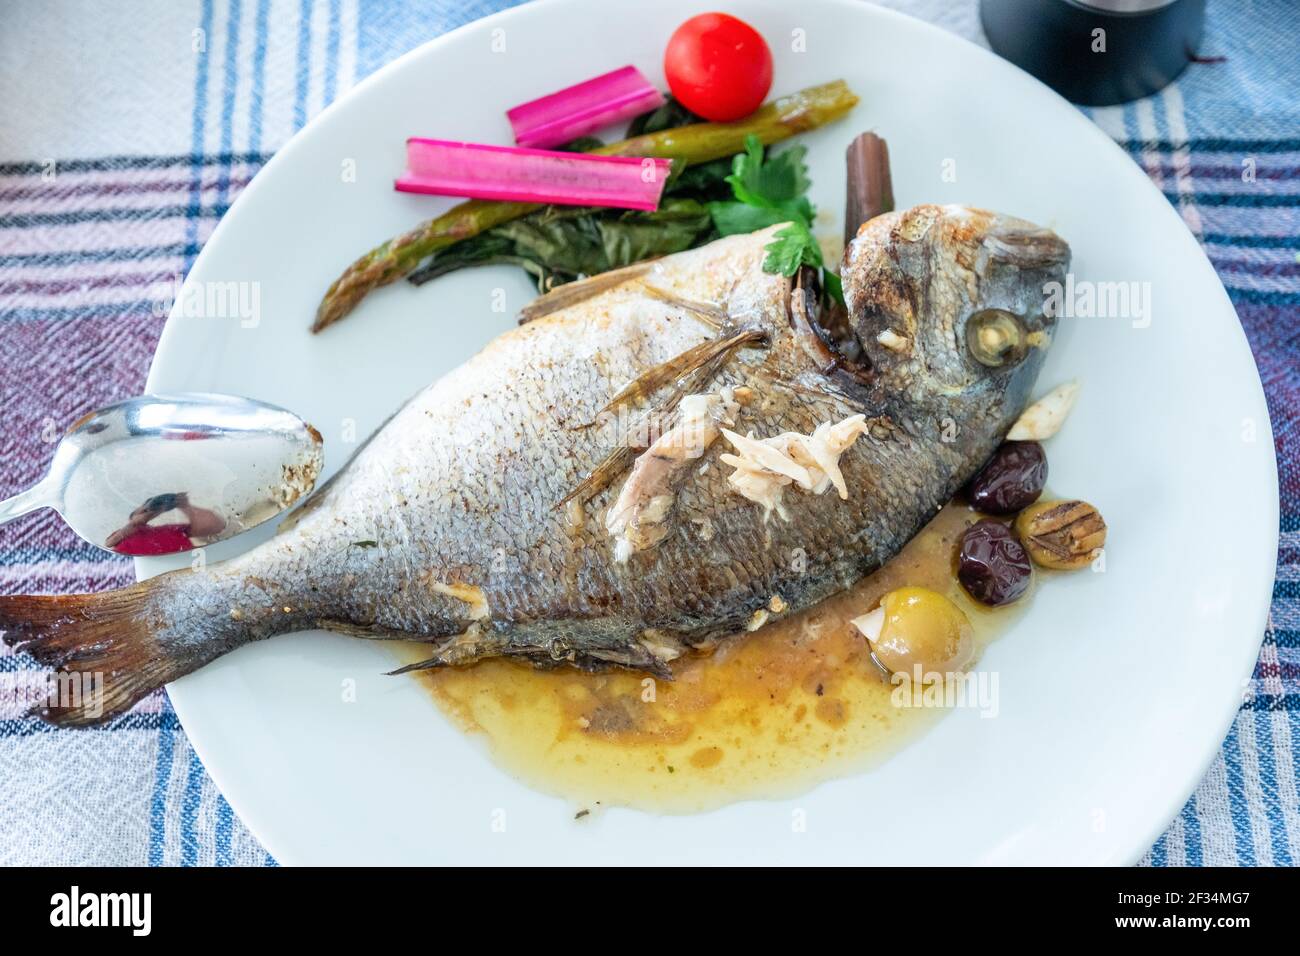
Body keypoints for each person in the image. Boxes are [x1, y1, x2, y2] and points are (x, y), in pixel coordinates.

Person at [104, 492, 227, 555]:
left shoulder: (169, 530)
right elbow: (109, 543)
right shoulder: (125, 535)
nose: (149, 511)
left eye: (153, 507)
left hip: (186, 568)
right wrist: (134, 524)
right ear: (134, 513)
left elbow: (216, 526)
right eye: (145, 508)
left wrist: (185, 505)